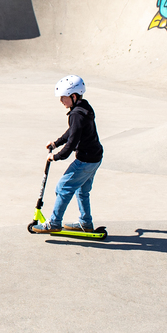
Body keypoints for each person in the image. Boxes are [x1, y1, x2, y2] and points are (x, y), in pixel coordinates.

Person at [31, 75, 104, 233]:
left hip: (85, 160)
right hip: (95, 157)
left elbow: (72, 143)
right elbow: (72, 131)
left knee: (63, 187)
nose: (61, 101)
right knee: (82, 191)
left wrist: (56, 156)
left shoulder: (76, 114)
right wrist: (56, 143)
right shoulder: (83, 107)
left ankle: (54, 223)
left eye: (63, 97)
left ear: (74, 96)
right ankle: (86, 222)